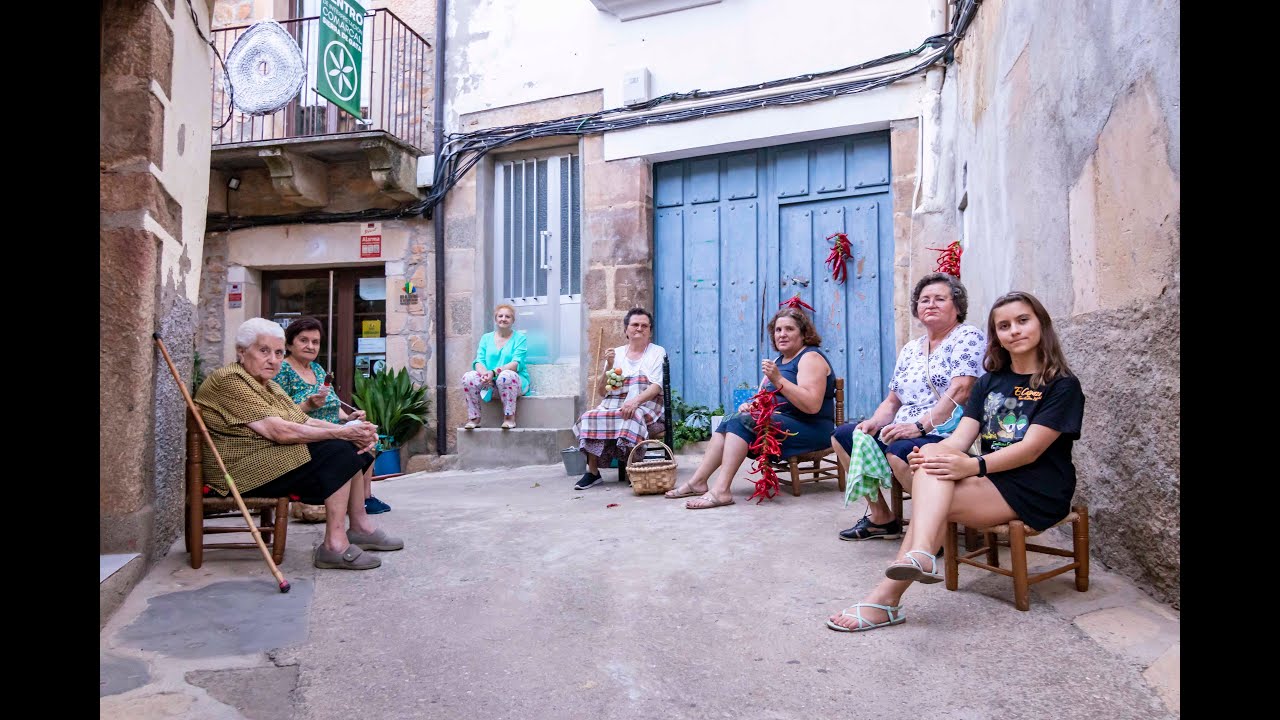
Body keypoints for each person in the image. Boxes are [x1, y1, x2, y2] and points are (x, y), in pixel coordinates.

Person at [826, 291, 1085, 632]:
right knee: (932, 457)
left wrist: (971, 466)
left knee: (936, 491)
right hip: (994, 479)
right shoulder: (991, 381)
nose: (1014, 331)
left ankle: (889, 597)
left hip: (1037, 486)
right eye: (1004, 326)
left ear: (1042, 325)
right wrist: (930, 454)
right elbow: (959, 439)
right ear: (997, 338)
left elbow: (1031, 450)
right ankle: (912, 564)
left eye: (1023, 321)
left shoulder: (1061, 386)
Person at [195, 317, 405, 571]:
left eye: (278, 352)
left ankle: (359, 527)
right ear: (241, 352)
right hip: (238, 470)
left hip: (265, 458)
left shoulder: (267, 384)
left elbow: (303, 419)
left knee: (352, 447)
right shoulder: (229, 380)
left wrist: (352, 430)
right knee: (339, 451)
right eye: (264, 351)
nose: (273, 359)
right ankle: (334, 546)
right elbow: (279, 431)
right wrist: (342, 435)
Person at [831, 272, 985, 540]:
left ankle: (932, 529)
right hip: (906, 426)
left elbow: (962, 389)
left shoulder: (967, 336)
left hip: (948, 429)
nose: (931, 304)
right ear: (916, 309)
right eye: (924, 300)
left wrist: (919, 426)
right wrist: (875, 422)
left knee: (900, 451)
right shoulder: (911, 349)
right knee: (845, 436)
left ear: (957, 306)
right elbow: (893, 400)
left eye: (940, 298)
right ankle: (881, 517)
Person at [665, 307, 836, 509]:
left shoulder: (810, 358)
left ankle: (721, 491)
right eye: (778, 330)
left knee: (741, 422)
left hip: (810, 428)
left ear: (803, 333)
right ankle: (698, 481)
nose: (782, 334)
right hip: (783, 424)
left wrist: (778, 379)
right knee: (731, 418)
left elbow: (812, 405)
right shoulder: (778, 361)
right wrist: (752, 405)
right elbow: (766, 398)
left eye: (789, 329)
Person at [274, 316, 389, 515]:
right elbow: (280, 411)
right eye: (304, 340)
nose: (310, 346)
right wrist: (308, 404)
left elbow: (333, 403)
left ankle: (365, 497)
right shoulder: (282, 370)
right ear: (289, 344)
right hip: (310, 432)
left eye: (315, 342)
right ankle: (354, 500)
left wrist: (349, 418)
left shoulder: (318, 370)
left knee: (368, 435)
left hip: (334, 426)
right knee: (356, 442)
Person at [572, 308, 666, 490]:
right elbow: (601, 391)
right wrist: (609, 364)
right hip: (613, 402)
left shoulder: (657, 352)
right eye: (635, 325)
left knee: (631, 417)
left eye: (644, 326)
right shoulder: (616, 353)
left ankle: (633, 468)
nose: (639, 328)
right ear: (626, 329)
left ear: (650, 331)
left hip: (646, 402)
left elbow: (656, 386)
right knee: (589, 417)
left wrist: (635, 401)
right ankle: (593, 472)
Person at [462, 303, 530, 430]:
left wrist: (493, 372)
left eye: (507, 317)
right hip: (491, 384)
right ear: (495, 319)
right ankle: (474, 418)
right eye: (500, 316)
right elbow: (478, 361)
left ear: (513, 320)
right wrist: (484, 375)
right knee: (469, 377)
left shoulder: (520, 338)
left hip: (514, 383)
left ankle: (509, 418)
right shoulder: (486, 338)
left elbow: (516, 363)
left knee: (505, 376)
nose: (503, 319)